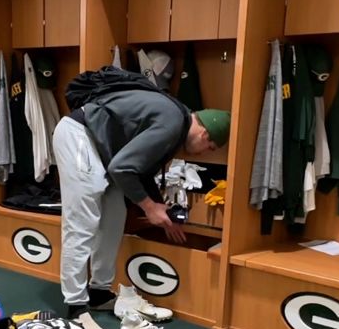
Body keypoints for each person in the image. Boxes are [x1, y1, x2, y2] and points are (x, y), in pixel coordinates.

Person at [53, 90, 230, 317]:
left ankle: (99, 292)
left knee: (114, 218)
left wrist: (160, 209)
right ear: (205, 135)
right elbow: (122, 168)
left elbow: (141, 171)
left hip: (105, 149)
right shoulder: (173, 124)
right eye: (211, 148)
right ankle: (76, 305)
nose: (206, 153)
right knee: (82, 222)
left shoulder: (176, 124)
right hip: (80, 135)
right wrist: (149, 207)